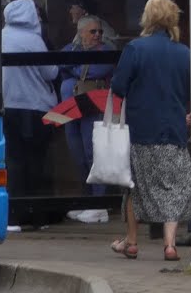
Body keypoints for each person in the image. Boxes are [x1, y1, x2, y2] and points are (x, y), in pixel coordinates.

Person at [108, 0, 191, 262]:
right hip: (175, 131)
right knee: (173, 187)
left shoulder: (135, 49)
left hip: (142, 130)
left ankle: (131, 243)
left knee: (135, 186)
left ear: (147, 17)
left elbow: (119, 87)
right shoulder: (185, 52)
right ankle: (169, 245)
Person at [1, 0, 59, 229]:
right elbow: (50, 73)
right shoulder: (34, 40)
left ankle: (13, 216)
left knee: (13, 162)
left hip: (8, 106)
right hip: (36, 107)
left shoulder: (1, 37)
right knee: (37, 162)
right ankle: (37, 217)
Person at [60, 14, 115, 224]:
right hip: (69, 108)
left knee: (94, 153)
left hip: (94, 107)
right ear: (81, 33)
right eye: (93, 32)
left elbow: (93, 71)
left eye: (99, 31)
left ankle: (98, 205)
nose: (98, 35)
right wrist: (76, 67)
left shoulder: (106, 50)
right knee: (78, 155)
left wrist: (74, 68)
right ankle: (86, 201)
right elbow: (60, 63)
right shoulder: (73, 48)